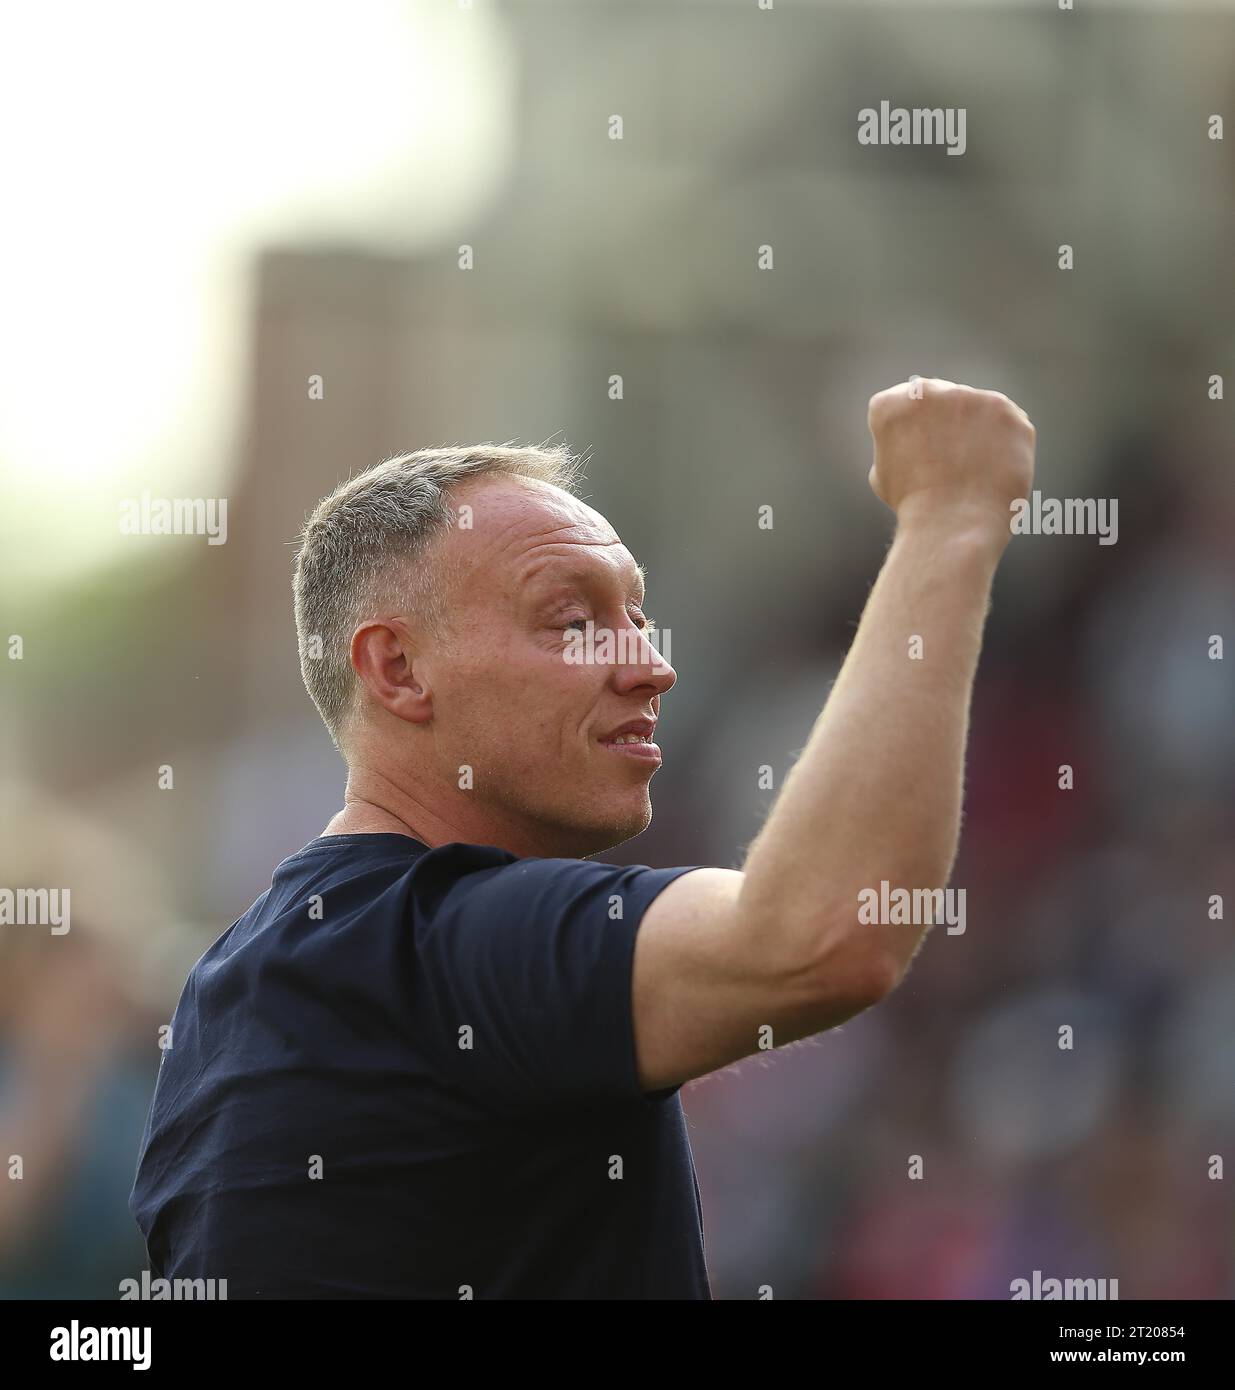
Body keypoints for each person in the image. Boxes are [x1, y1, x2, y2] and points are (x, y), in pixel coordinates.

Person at [129, 379, 1036, 1298]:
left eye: (635, 616)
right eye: (572, 623)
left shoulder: (227, 994)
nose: (650, 666)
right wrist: (948, 518)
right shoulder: (446, 947)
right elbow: (823, 936)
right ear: (397, 669)